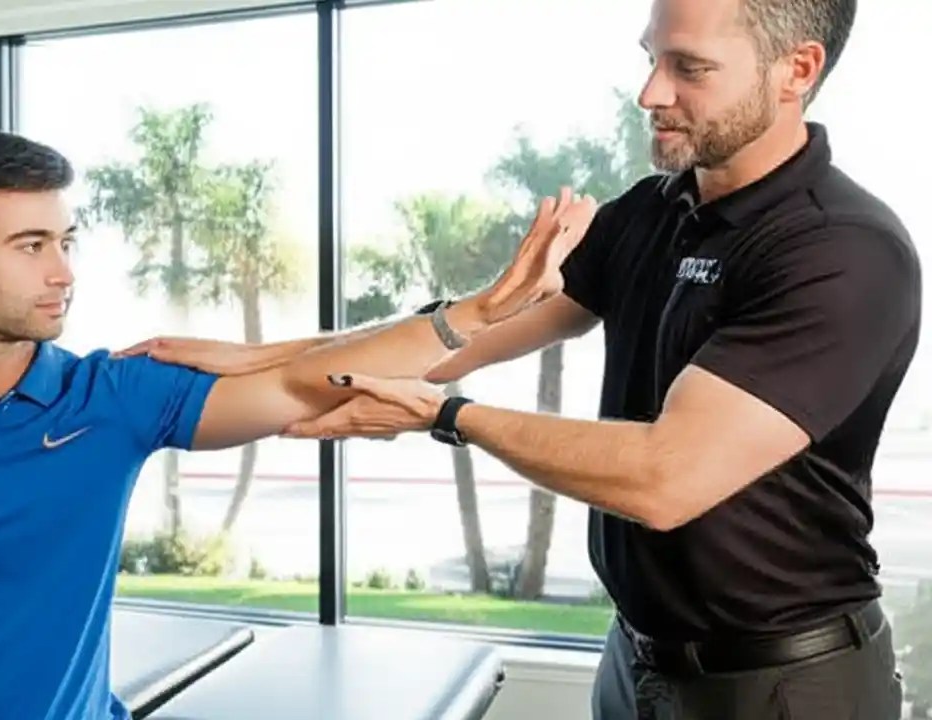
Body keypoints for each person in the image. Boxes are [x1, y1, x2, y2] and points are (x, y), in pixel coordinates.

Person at [120, 0, 921, 718]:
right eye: (651, 57)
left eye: (690, 68)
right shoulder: (653, 211)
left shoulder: (841, 250)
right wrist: (261, 356)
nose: (651, 92)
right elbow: (466, 333)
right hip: (636, 661)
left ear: (799, 69)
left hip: (786, 685)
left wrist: (447, 418)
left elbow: (665, 477)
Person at [0, 129, 594, 719]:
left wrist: (472, 315)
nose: (63, 272)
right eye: (31, 246)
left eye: (66, 242)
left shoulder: (111, 399)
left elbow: (297, 385)